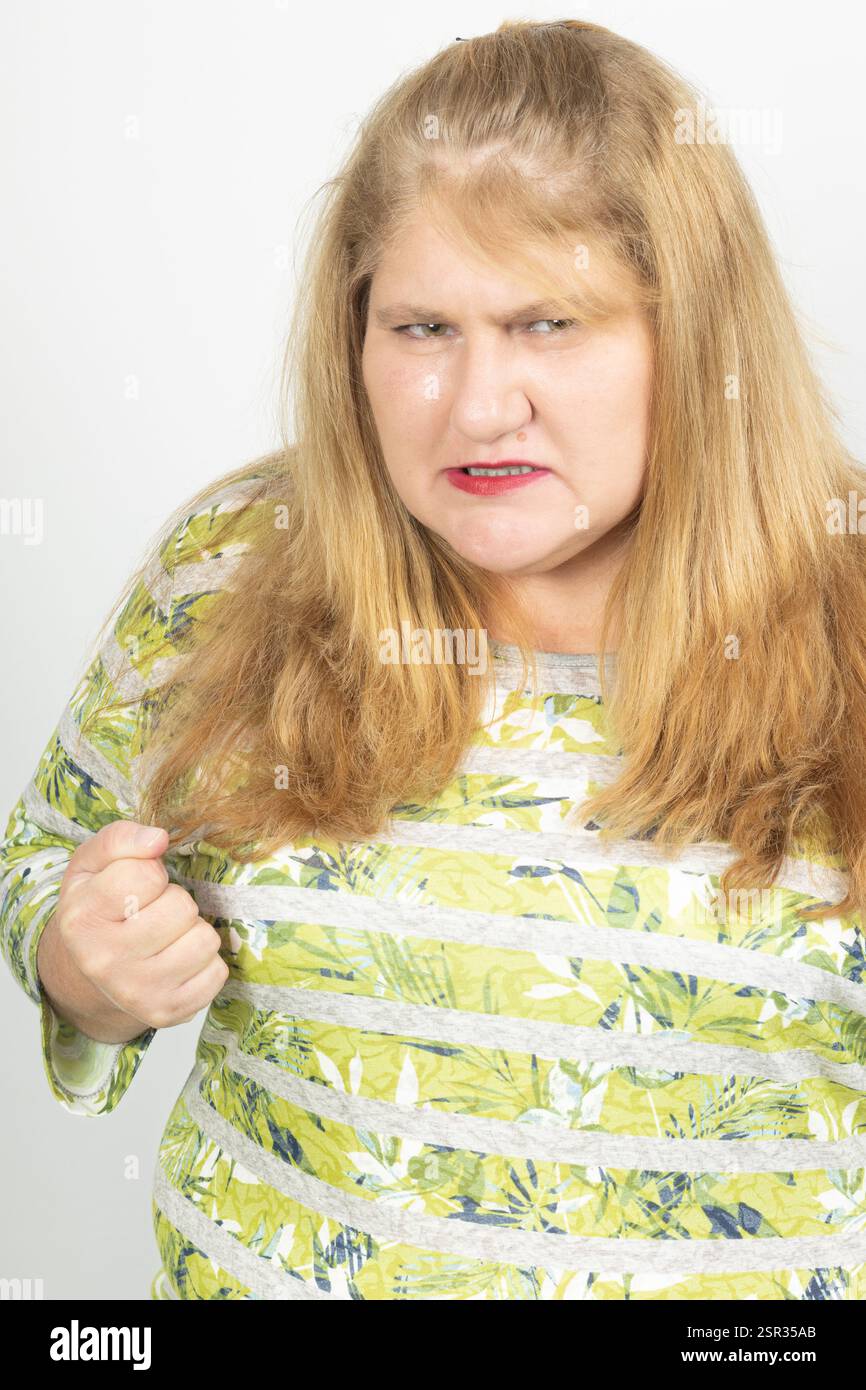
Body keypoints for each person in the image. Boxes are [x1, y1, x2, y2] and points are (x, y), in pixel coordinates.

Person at [3, 17, 866, 1302]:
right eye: (420, 329)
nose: (474, 406)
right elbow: (41, 862)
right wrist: (80, 972)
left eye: (547, 323)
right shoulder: (238, 559)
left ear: (691, 338)